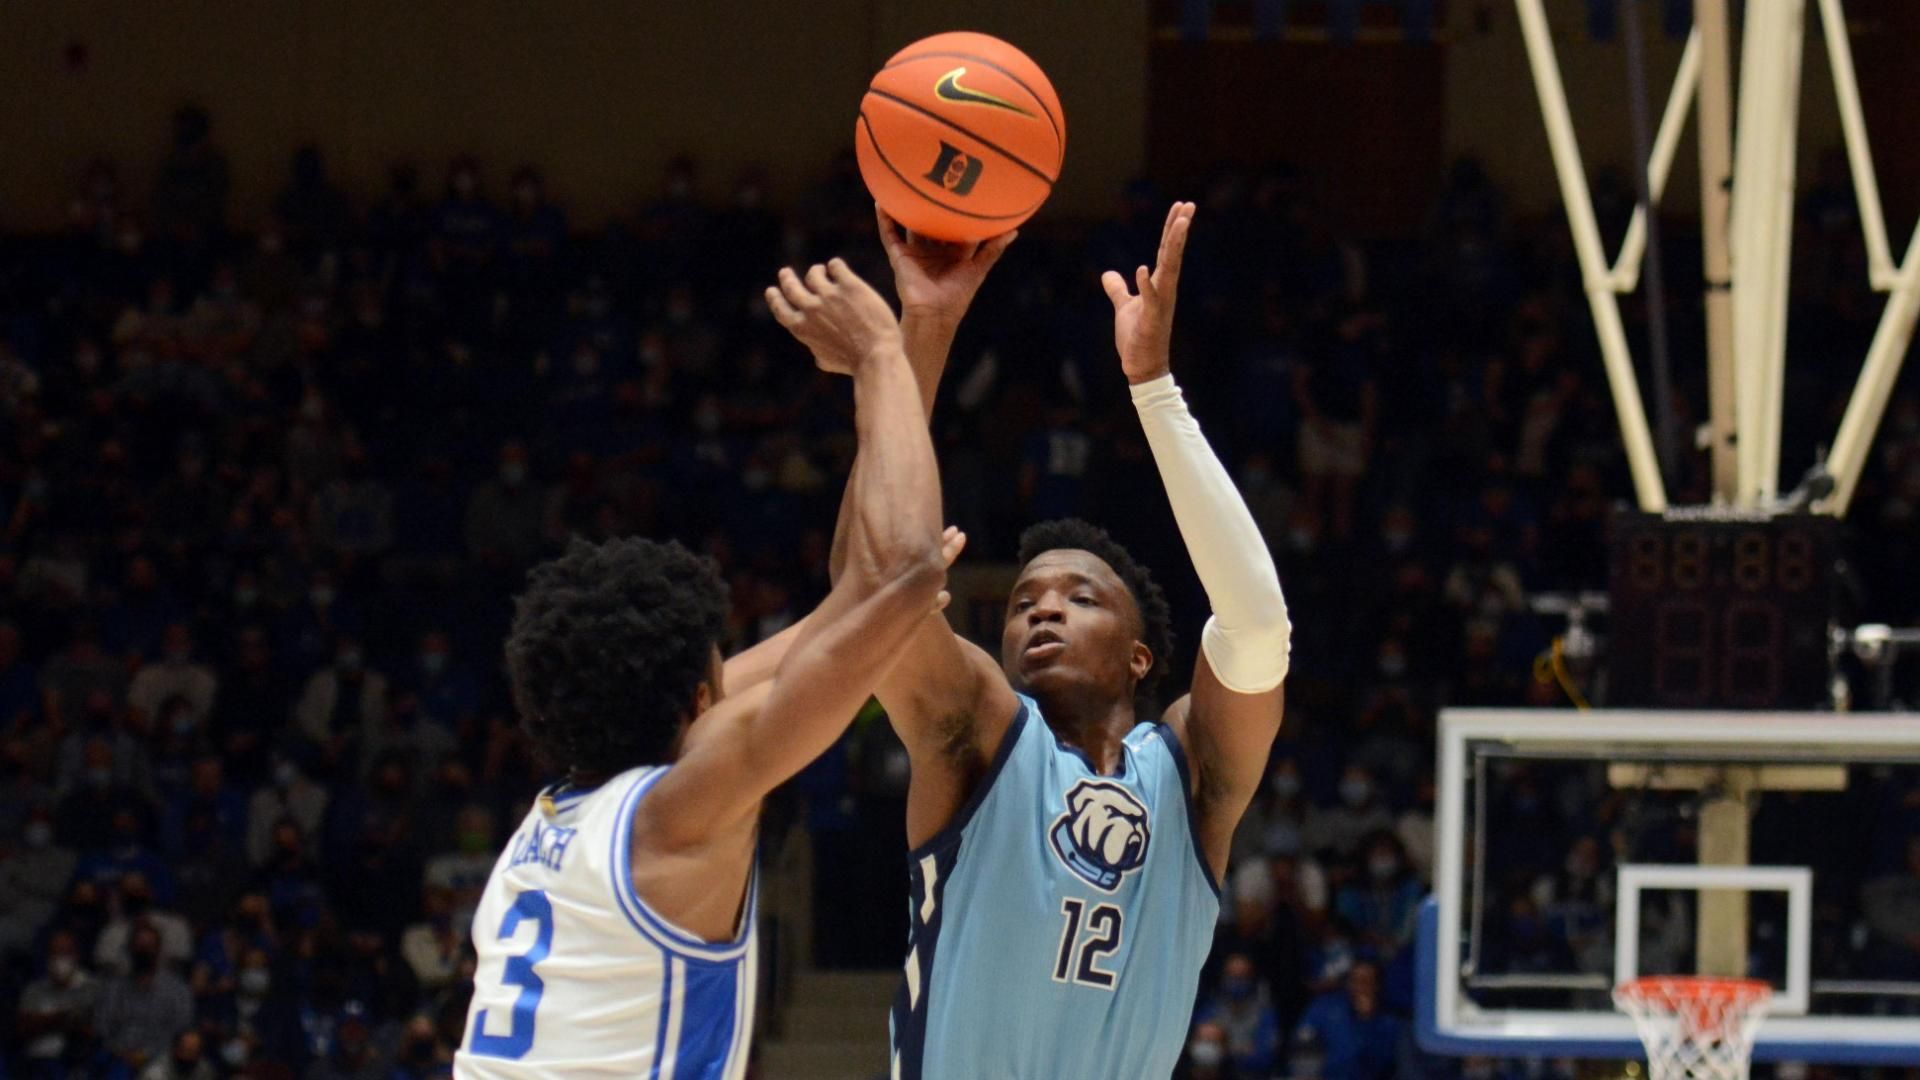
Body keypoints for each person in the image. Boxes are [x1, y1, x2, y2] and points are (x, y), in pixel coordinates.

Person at [455, 257, 952, 1077]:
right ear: (698, 700)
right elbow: (905, 572)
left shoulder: (547, 826)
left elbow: (861, 593)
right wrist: (876, 356)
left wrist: (921, 330)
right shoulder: (674, 812)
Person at [861, 203, 1292, 1078]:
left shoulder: (1188, 774)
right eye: (1024, 601)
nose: (1041, 611)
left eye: (1079, 596)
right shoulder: (981, 733)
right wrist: (927, 325)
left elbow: (1255, 626)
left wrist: (1155, 391)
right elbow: (870, 586)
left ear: (1140, 655)